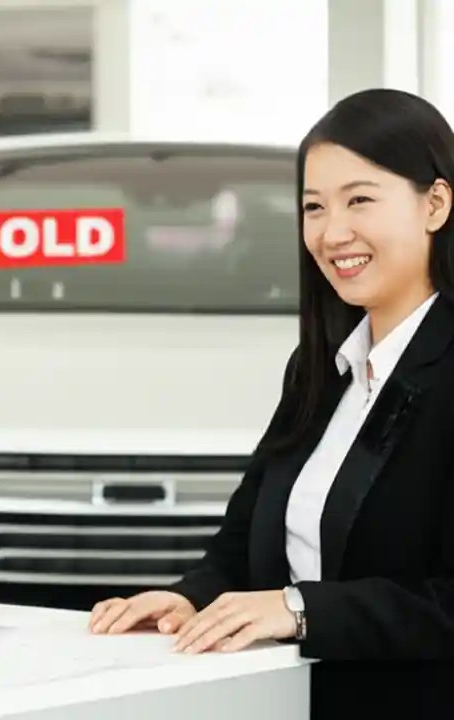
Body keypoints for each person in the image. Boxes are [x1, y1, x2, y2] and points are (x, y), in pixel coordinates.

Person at [88, 88, 454, 718]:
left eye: (360, 200)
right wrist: (192, 599)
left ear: (436, 204)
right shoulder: (320, 368)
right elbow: (245, 540)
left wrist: (300, 609)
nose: (332, 233)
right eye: (313, 207)